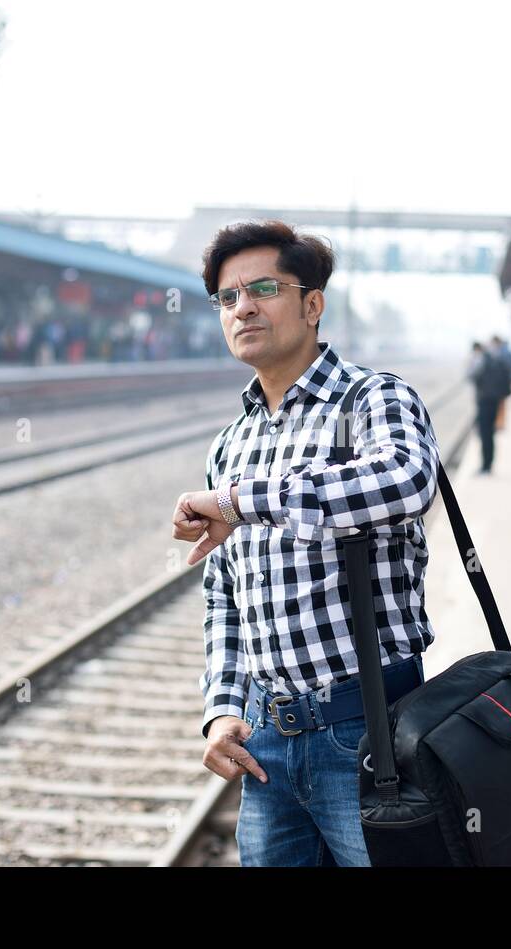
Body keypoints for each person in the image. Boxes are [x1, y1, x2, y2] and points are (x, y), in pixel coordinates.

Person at [172, 220, 439, 867]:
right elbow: (226, 599)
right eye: (228, 298)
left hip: (370, 734)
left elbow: (405, 480)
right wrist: (223, 710)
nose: (244, 307)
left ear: (312, 304)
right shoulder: (230, 445)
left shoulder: (374, 400)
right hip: (267, 745)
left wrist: (240, 501)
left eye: (263, 288)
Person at [469, 340, 511, 473]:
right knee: (490, 434)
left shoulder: (481, 360)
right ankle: (489, 464)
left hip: (484, 401)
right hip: (496, 400)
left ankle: (485, 466)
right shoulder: (499, 359)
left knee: (485, 434)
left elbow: (471, 375)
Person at [489, 334, 511, 430]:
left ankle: (499, 423)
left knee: (500, 404)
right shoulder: (506, 352)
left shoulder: (500, 354)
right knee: (502, 404)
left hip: (500, 385)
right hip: (503, 385)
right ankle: (500, 423)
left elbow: (509, 369)